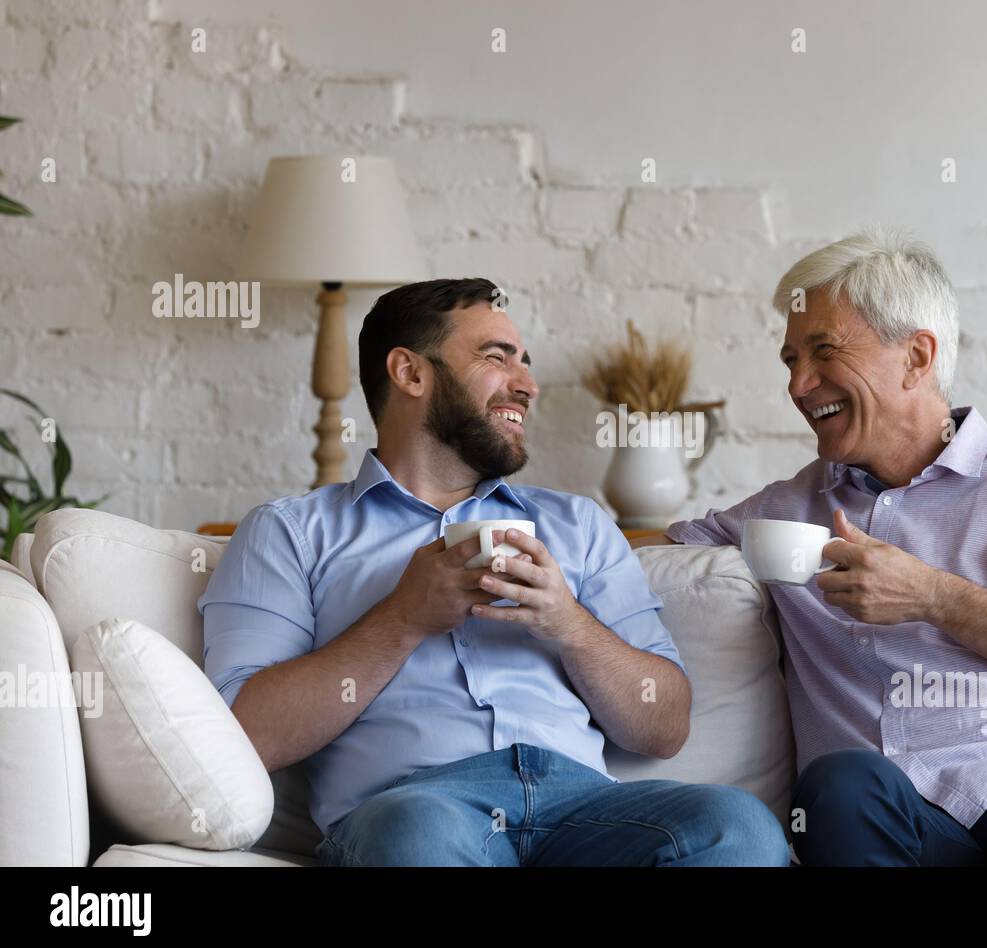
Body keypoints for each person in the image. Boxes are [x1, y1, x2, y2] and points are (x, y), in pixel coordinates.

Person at [635, 230, 987, 866]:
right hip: (902, 816)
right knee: (837, 787)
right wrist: (523, 521)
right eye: (790, 360)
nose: (799, 384)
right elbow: (639, 548)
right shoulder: (785, 514)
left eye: (823, 352)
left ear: (916, 356)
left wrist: (935, 597)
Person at [199, 278, 789, 867]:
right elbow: (243, 735)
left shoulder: (578, 525)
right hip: (417, 805)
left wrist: (570, 624)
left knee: (736, 826)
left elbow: (664, 728)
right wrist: (403, 618)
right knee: (416, 833)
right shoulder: (290, 533)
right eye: (496, 357)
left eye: (525, 363)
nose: (528, 385)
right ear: (410, 374)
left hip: (582, 811)